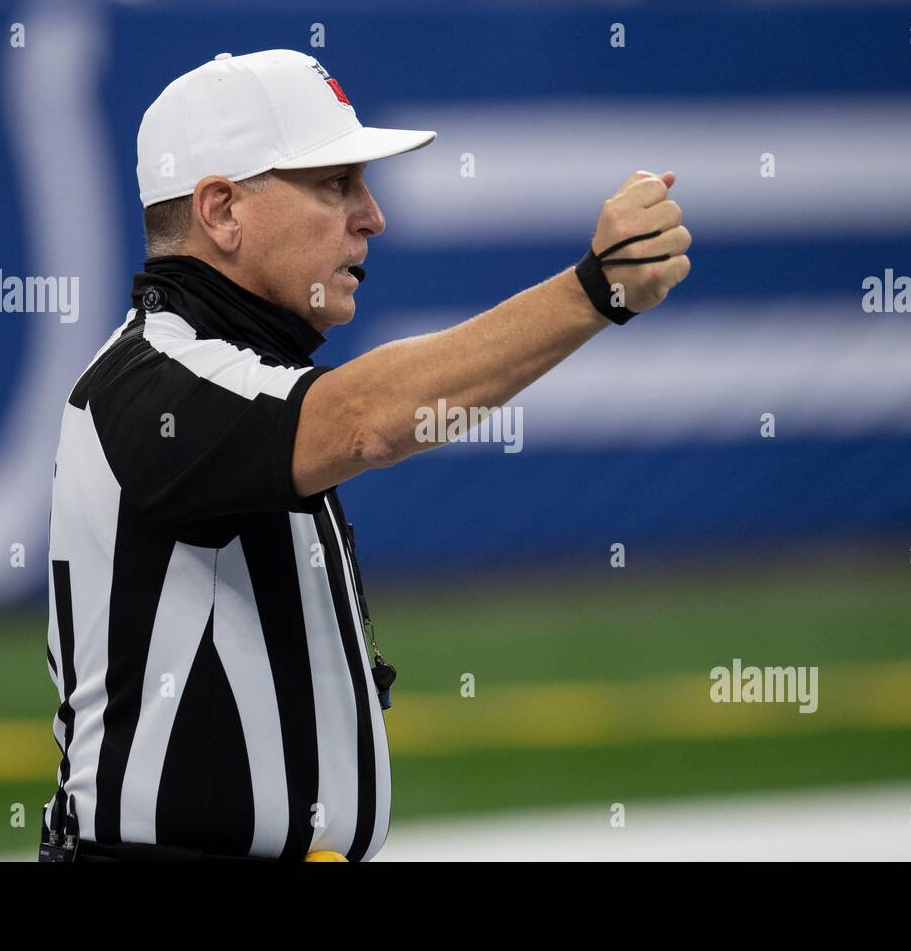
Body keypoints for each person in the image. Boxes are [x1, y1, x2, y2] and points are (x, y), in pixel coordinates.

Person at [39, 48, 690, 863]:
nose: (372, 216)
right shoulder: (149, 387)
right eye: (334, 184)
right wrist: (593, 290)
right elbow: (364, 421)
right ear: (221, 211)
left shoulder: (227, 376)